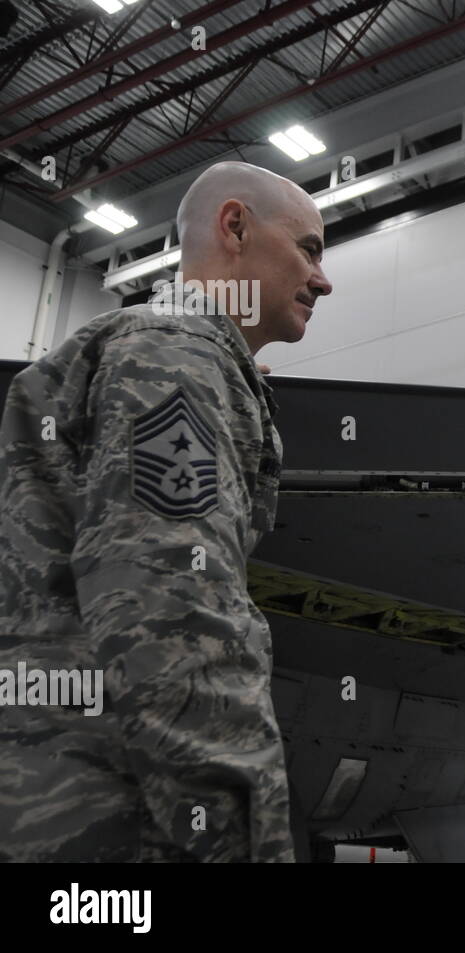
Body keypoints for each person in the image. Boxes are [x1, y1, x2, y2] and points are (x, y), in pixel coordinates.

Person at [0, 160, 333, 861]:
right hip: (120, 819)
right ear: (235, 225)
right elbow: (169, 610)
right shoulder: (174, 355)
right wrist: (236, 837)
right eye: (310, 248)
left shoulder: (150, 347)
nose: (324, 278)